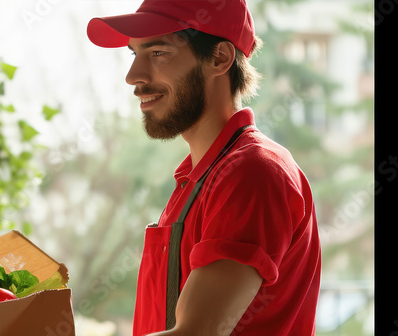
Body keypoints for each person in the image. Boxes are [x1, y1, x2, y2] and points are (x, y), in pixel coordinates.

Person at [86, 0, 321, 335]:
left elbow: (195, 332)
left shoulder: (252, 172)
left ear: (219, 58)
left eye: (157, 53)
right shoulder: (197, 179)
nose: (133, 76)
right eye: (134, 54)